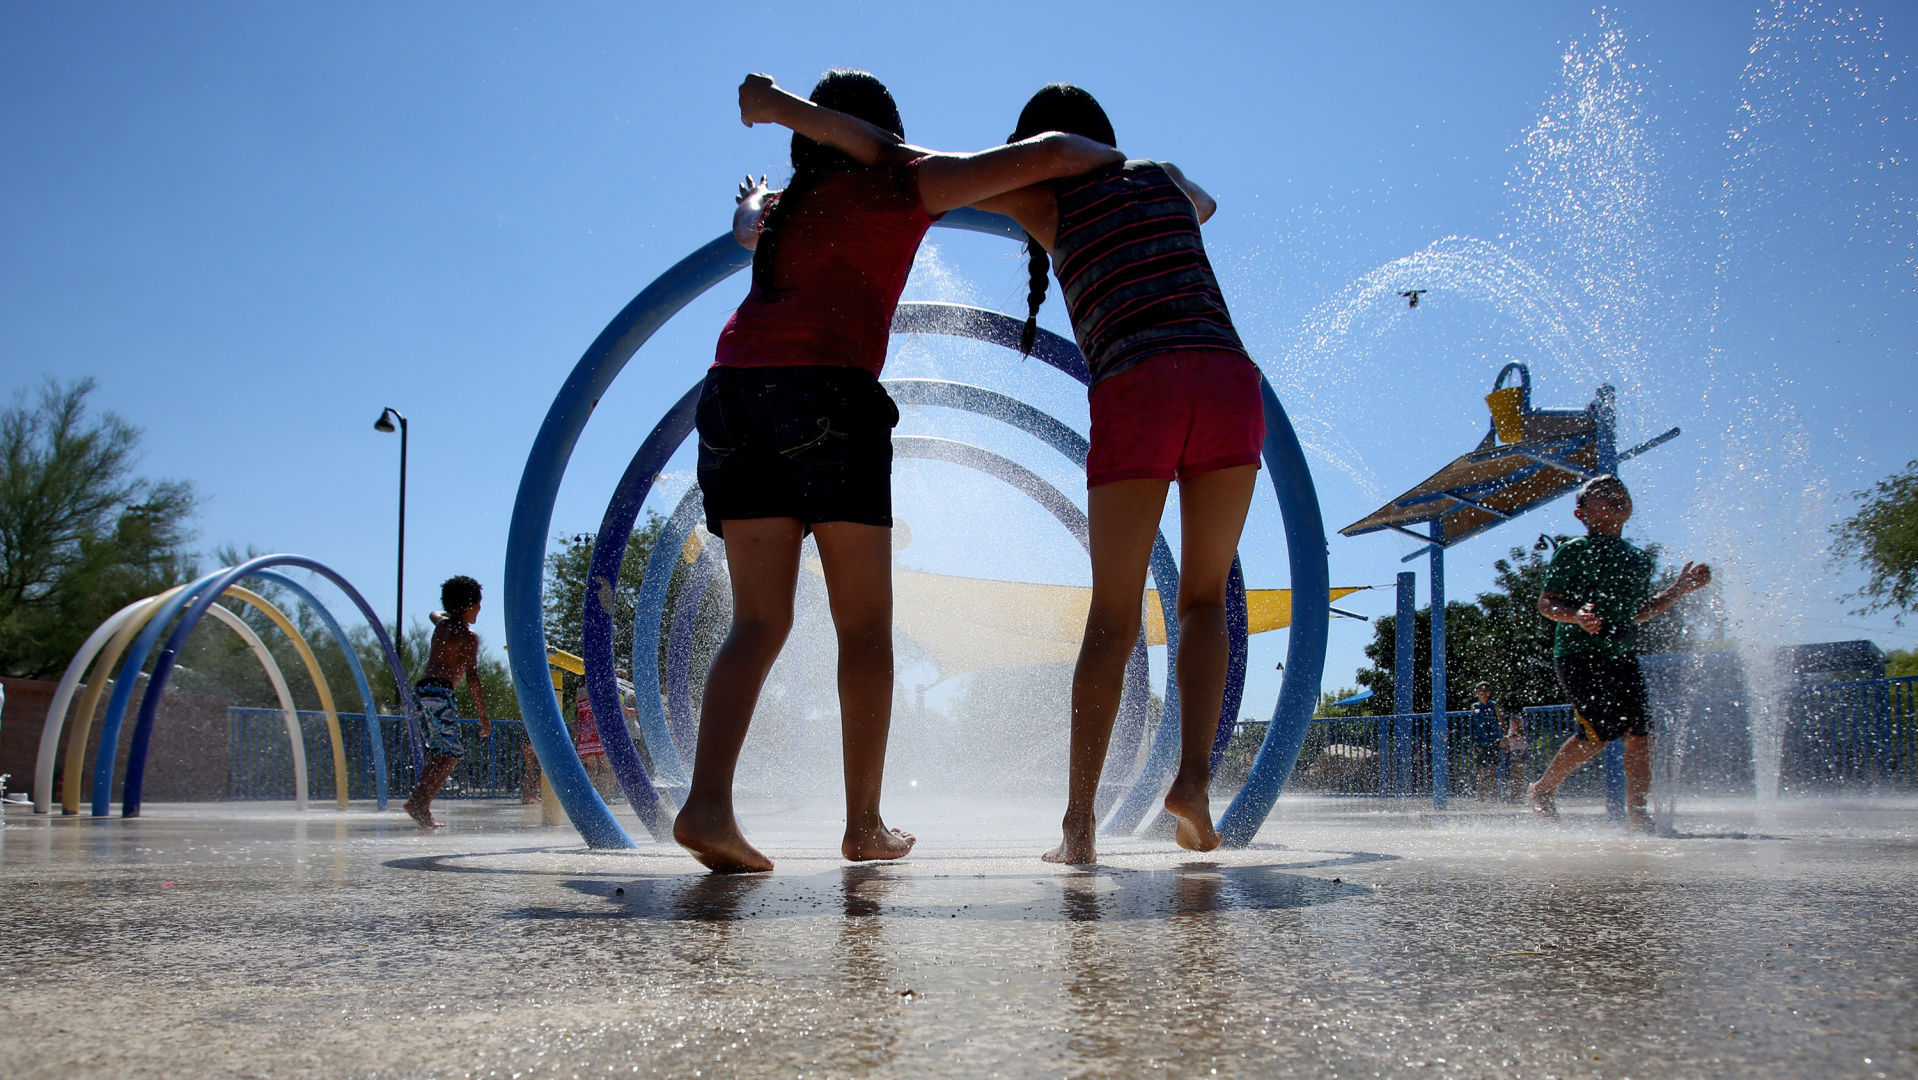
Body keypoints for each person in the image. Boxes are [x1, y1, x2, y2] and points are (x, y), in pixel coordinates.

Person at [670, 71, 1124, 874]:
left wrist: (756, 195)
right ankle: (864, 823)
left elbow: (746, 224)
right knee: (864, 628)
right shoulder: (908, 178)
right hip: (827, 399)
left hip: (733, 394)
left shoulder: (784, 211)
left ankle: (708, 803)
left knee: (757, 623)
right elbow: (1053, 151)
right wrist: (1119, 163)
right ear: (886, 129)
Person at [1527, 476, 1711, 831]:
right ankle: (1543, 789)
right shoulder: (1574, 550)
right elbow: (1546, 604)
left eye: (1620, 493)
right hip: (1578, 653)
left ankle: (1637, 815)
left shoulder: (1637, 559)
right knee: (1598, 732)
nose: (1616, 498)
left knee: (1641, 736)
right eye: (1604, 496)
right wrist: (1577, 616)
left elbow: (1640, 611)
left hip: (1621, 655)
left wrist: (1679, 589)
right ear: (1581, 514)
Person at [402, 576, 492, 829]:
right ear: (469, 606)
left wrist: (451, 611)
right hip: (440, 693)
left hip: (422, 692)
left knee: (440, 752)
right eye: (478, 604)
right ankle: (419, 803)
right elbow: (473, 677)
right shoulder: (467, 635)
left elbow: (434, 612)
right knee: (450, 754)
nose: (480, 609)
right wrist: (483, 716)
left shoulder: (442, 625)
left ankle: (421, 805)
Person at [1467, 681, 1504, 802]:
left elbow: (1501, 722)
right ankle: (1482, 795)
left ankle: (1493, 794)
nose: (1484, 693)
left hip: (1492, 741)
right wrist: (1472, 741)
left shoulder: (1494, 705)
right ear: (1476, 693)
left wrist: (1503, 737)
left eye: (1486, 691)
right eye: (1481, 691)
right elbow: (1473, 725)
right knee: (1481, 770)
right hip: (1479, 741)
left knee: (1492, 769)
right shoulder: (1475, 706)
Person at [1501, 697, 1530, 802]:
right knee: (1518, 771)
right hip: (1518, 747)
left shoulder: (1514, 717)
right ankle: (1517, 793)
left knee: (1517, 772)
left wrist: (1507, 739)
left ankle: (1516, 794)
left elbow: (1520, 733)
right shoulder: (1518, 716)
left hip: (1518, 747)